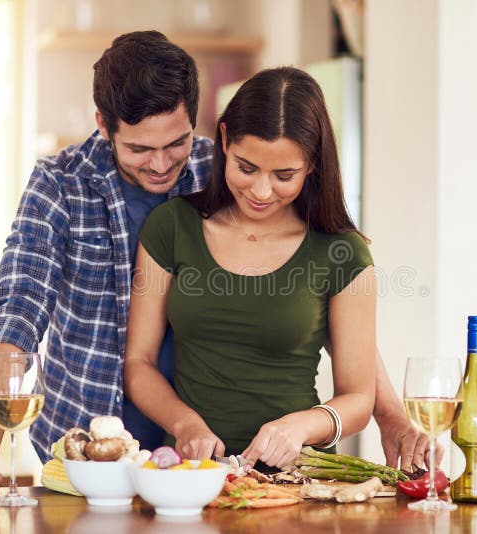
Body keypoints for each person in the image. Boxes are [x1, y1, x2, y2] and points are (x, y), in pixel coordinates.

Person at [0, 30, 430, 501]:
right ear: (103, 124)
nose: (161, 163)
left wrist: (391, 418)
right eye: (139, 149)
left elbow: (320, 303)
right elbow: (16, 318)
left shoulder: (228, 171)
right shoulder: (59, 186)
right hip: (97, 454)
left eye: (175, 142)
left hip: (220, 465)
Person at [125, 66, 375, 467]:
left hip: (298, 481)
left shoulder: (341, 252)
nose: (260, 191)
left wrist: (302, 427)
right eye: (246, 167)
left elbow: (359, 397)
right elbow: (139, 363)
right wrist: (185, 423)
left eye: (284, 175)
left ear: (312, 165)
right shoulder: (172, 227)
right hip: (193, 475)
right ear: (224, 140)